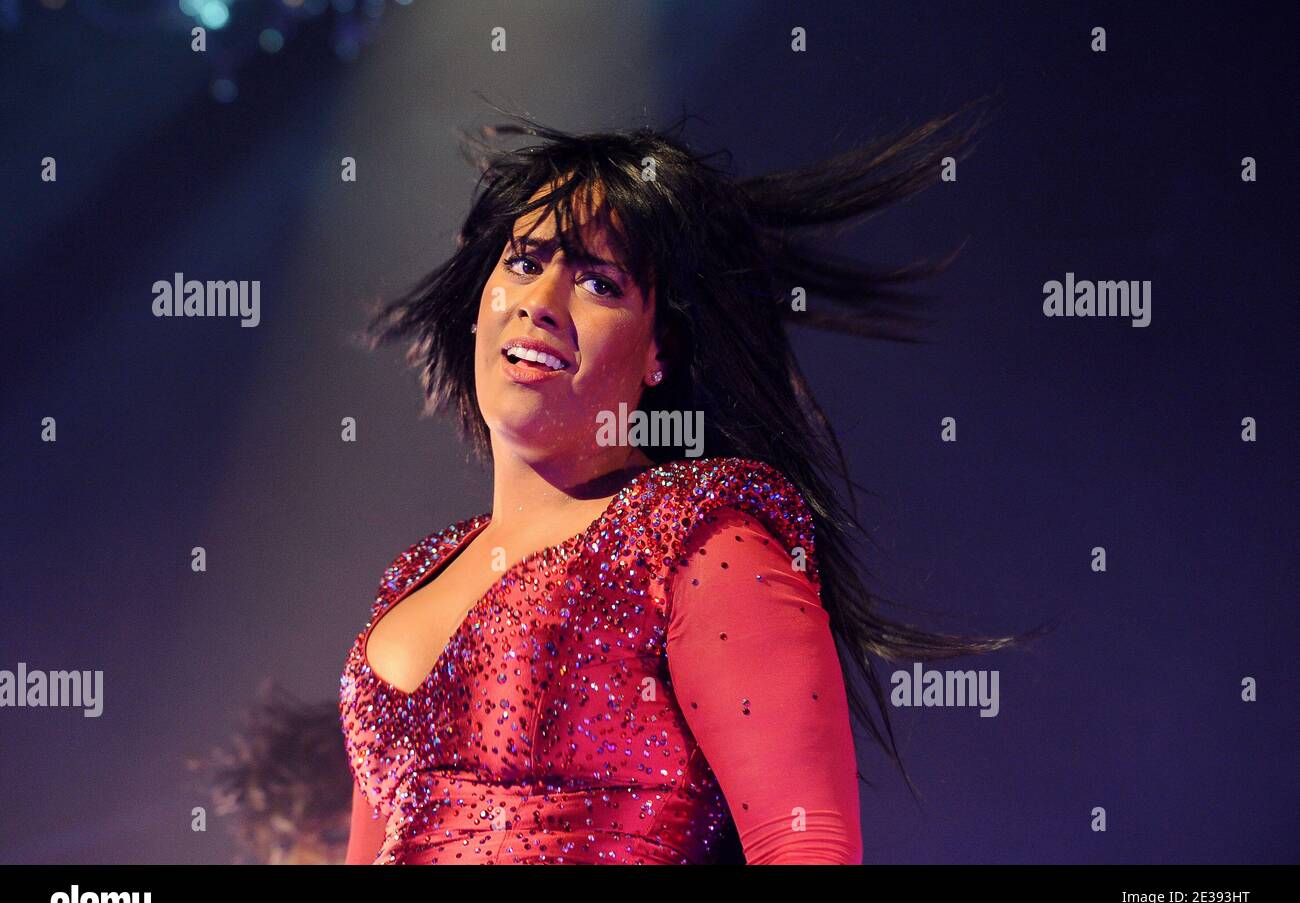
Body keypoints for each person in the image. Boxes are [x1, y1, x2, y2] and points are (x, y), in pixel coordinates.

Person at [339, 103, 1038, 864]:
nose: (540, 302)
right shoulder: (410, 578)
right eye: (525, 260)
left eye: (599, 283)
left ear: (658, 350)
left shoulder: (699, 538)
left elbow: (804, 847)